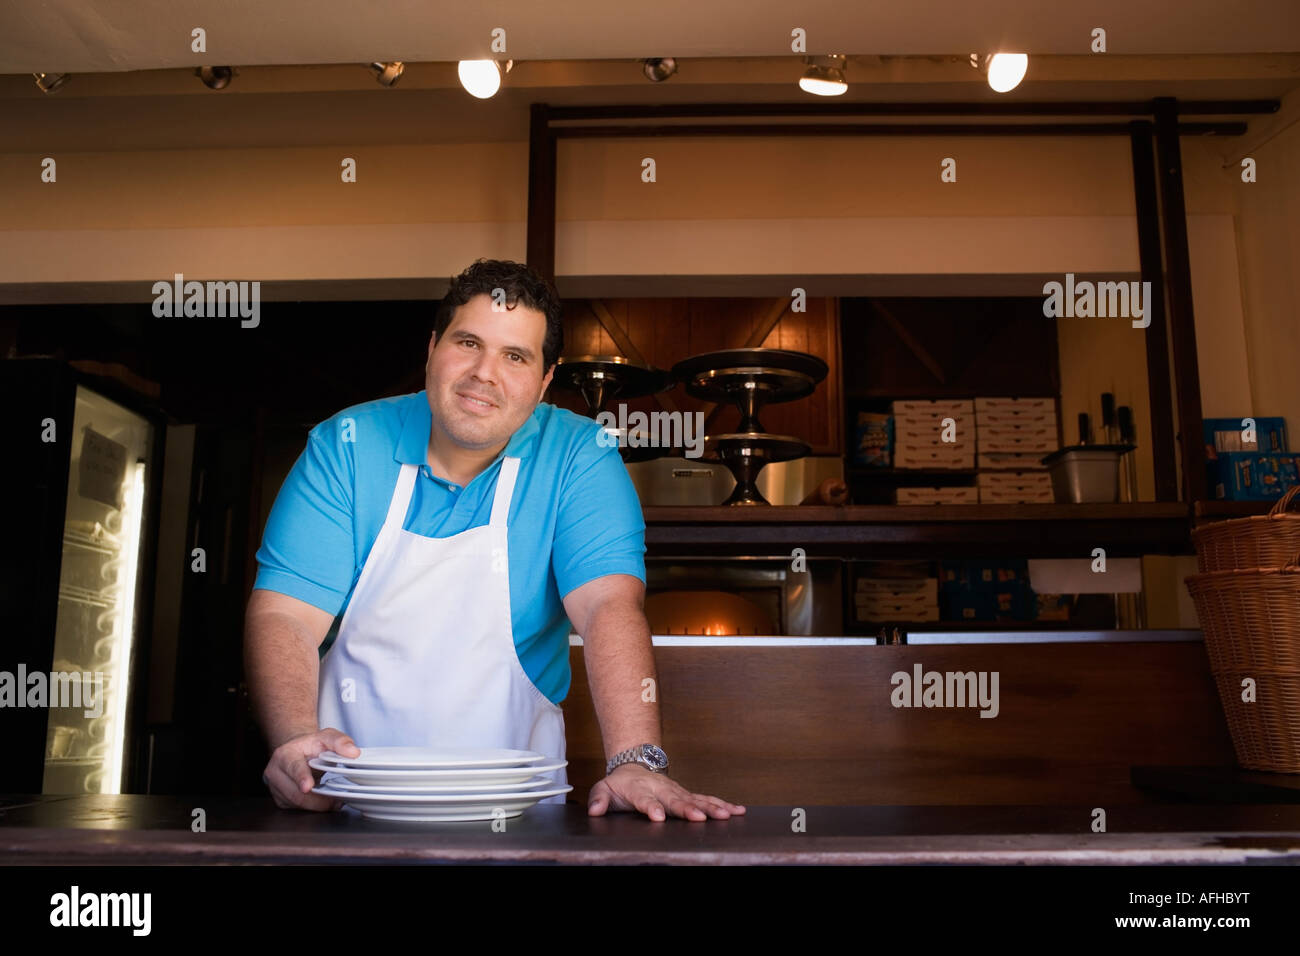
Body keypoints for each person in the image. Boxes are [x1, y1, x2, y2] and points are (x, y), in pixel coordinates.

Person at [244, 258, 745, 823]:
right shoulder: (347, 445)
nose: (485, 373)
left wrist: (636, 761)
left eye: (515, 356)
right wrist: (293, 740)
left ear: (545, 379)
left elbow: (607, 607)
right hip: (345, 808)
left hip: (521, 819)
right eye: (467, 343)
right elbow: (285, 615)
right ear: (432, 348)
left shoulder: (579, 456)